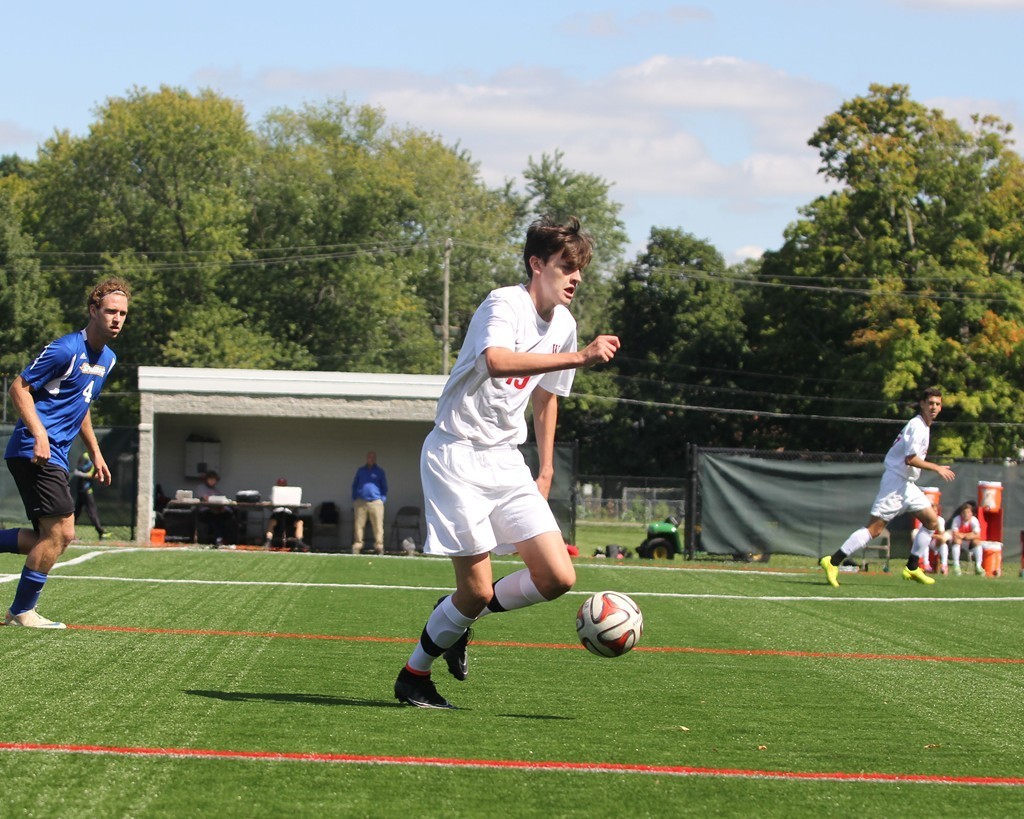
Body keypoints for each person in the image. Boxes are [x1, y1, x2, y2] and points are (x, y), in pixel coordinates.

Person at [393, 215, 620, 708]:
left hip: (506, 460)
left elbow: (546, 398)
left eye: (580, 268)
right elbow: (496, 360)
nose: (575, 277)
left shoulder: (563, 324)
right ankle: (414, 674)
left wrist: (546, 470)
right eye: (566, 266)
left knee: (558, 577)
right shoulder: (503, 303)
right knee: (472, 592)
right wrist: (580, 357)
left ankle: (456, 615)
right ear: (537, 264)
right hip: (456, 455)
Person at [0, 278, 130, 629]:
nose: (116, 319)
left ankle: (21, 610)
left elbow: (80, 404)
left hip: (54, 452)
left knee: (50, 537)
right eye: (110, 311)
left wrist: (96, 451)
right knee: (62, 533)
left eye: (122, 314)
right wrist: (40, 434)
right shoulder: (66, 349)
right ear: (93, 311)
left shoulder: (109, 359)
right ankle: (21, 612)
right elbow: (19, 387)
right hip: (34, 449)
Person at [820, 387, 955, 588]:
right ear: (922, 404)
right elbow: (910, 459)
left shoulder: (925, 427)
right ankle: (833, 561)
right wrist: (936, 467)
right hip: (895, 484)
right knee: (874, 530)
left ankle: (912, 567)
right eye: (930, 403)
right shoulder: (916, 426)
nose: (934, 407)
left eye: (937, 404)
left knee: (932, 521)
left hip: (907, 485)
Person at [352, 451, 387, 555]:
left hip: (376, 502)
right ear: (366, 458)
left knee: (378, 526)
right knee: (359, 525)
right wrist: (355, 497)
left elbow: (384, 487)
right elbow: (355, 484)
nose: (371, 459)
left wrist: (382, 499)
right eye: (369, 457)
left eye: (373, 457)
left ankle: (379, 546)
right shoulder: (360, 471)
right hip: (361, 502)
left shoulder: (380, 472)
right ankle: (358, 545)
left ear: (375, 459)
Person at [264, 477, 308, 551]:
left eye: (283, 484)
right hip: (278, 513)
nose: (282, 486)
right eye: (280, 484)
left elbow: (295, 503)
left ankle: (300, 542)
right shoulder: (274, 493)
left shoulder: (290, 493)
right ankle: (268, 541)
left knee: (299, 522)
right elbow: (271, 503)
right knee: (272, 521)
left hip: (289, 513)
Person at [72, 451, 108, 540]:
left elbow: (94, 474)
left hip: (85, 490)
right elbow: (78, 471)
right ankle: (101, 532)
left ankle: (100, 531)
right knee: (89, 512)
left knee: (82, 512)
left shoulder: (95, 459)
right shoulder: (86, 457)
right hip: (84, 491)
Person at [194, 469, 235, 547]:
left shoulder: (216, 491)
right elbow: (205, 498)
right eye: (211, 479)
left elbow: (222, 500)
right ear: (206, 480)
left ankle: (228, 539)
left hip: (218, 510)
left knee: (229, 515)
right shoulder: (201, 487)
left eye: (214, 480)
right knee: (215, 517)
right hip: (205, 511)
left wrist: (223, 507)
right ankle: (218, 538)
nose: (212, 481)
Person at [945, 500, 983, 575]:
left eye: (968, 512)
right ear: (961, 513)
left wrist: (964, 536)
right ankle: (956, 566)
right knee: (957, 541)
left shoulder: (974, 520)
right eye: (964, 513)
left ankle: (978, 566)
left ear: (972, 513)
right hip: (959, 542)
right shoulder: (957, 519)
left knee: (977, 542)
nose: (966, 515)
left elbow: (977, 535)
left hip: (969, 542)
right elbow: (955, 534)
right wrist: (969, 535)